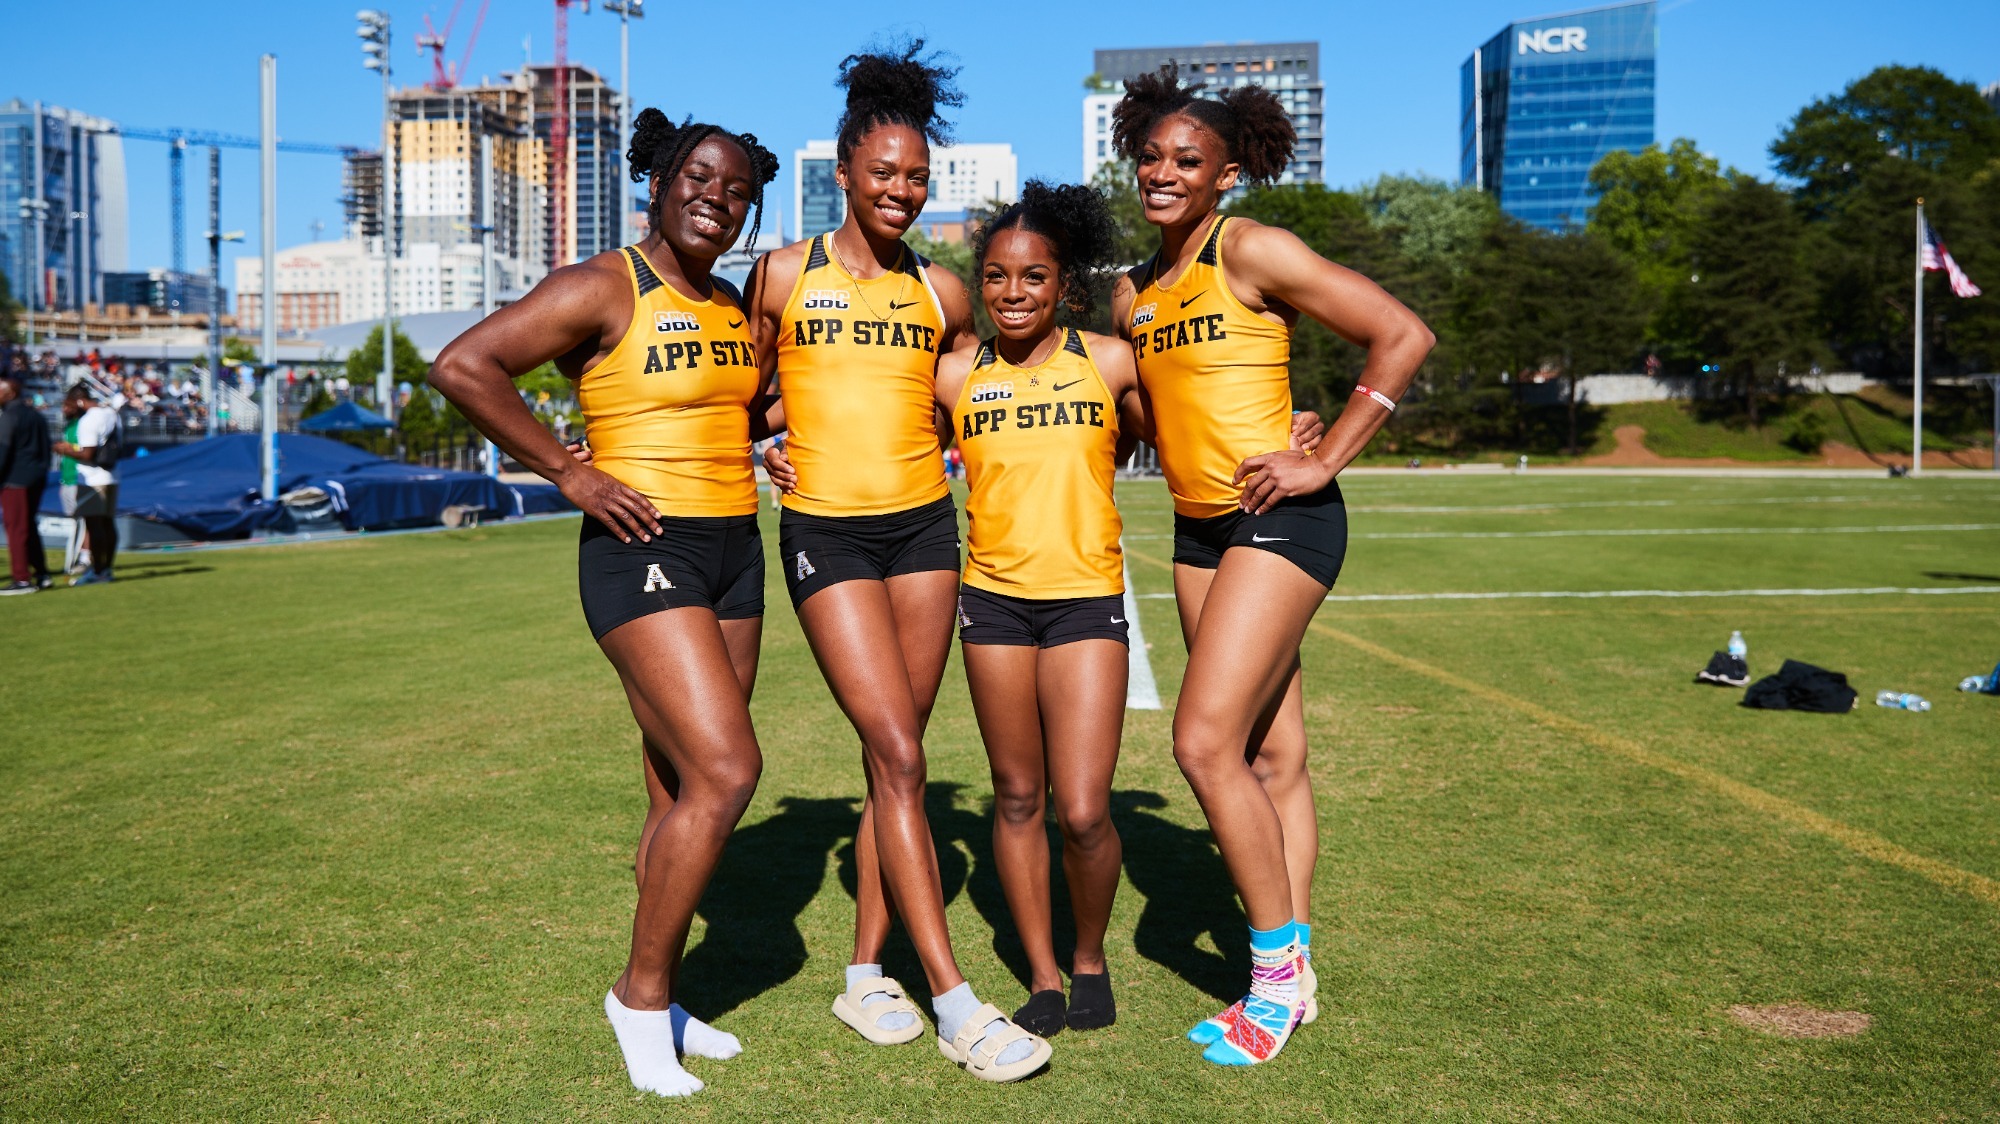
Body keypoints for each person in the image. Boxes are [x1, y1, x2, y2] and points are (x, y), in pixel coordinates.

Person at [429, 107, 782, 1099]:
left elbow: (738, 408)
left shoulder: (726, 305)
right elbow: (462, 364)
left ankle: (664, 994)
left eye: (736, 191)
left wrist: (769, 439)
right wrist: (566, 472)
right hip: (641, 548)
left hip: (732, 552)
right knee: (727, 768)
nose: (716, 200)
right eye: (698, 181)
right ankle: (635, 996)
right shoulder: (600, 284)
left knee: (677, 789)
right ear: (660, 183)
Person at [1109, 65, 1434, 1067]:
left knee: (1203, 746)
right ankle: (1296, 964)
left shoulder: (1248, 249)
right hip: (1198, 533)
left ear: (1226, 177)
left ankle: (1275, 973)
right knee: (1270, 756)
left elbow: (1400, 333)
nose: (1164, 172)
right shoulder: (1129, 291)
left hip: (1281, 522)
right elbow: (1142, 418)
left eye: (1188, 161)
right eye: (1153, 156)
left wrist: (1320, 452)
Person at [744, 42, 1050, 1083]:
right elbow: (742, 389)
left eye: (916, 176)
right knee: (901, 754)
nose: (901, 190)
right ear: (841, 171)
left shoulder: (946, 292)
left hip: (924, 531)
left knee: (898, 758)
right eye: (883, 173)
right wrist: (758, 441)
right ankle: (959, 1003)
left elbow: (1000, 381)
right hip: (824, 533)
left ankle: (864, 971)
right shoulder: (785, 271)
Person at [52, 385, 122, 586]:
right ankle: (106, 569)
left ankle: (98, 571)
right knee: (108, 524)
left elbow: (87, 454)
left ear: (79, 401)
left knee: (95, 525)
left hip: (92, 479)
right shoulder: (111, 413)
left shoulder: (88, 420)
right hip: (112, 476)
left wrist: (65, 450)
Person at [0, 370, 54, 594]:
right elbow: (46, 450)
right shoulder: (36, 416)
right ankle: (41, 573)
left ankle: (22, 579)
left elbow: (2, 451)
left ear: (9, 393)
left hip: (15, 480)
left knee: (17, 529)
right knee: (28, 526)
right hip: (36, 478)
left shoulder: (10, 416)